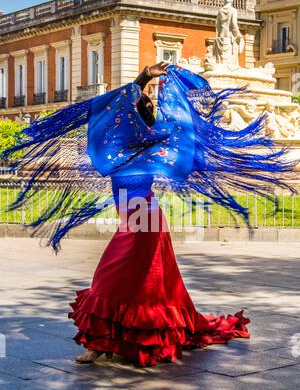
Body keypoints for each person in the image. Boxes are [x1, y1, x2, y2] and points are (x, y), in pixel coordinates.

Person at [2, 62, 297, 367]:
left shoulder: (152, 144)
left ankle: (102, 345)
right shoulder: (120, 145)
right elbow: (119, 100)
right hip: (139, 220)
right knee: (146, 287)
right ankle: (123, 341)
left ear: (132, 119)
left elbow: (148, 112)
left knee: (112, 279)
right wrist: (144, 78)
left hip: (143, 221)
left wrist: (150, 83)